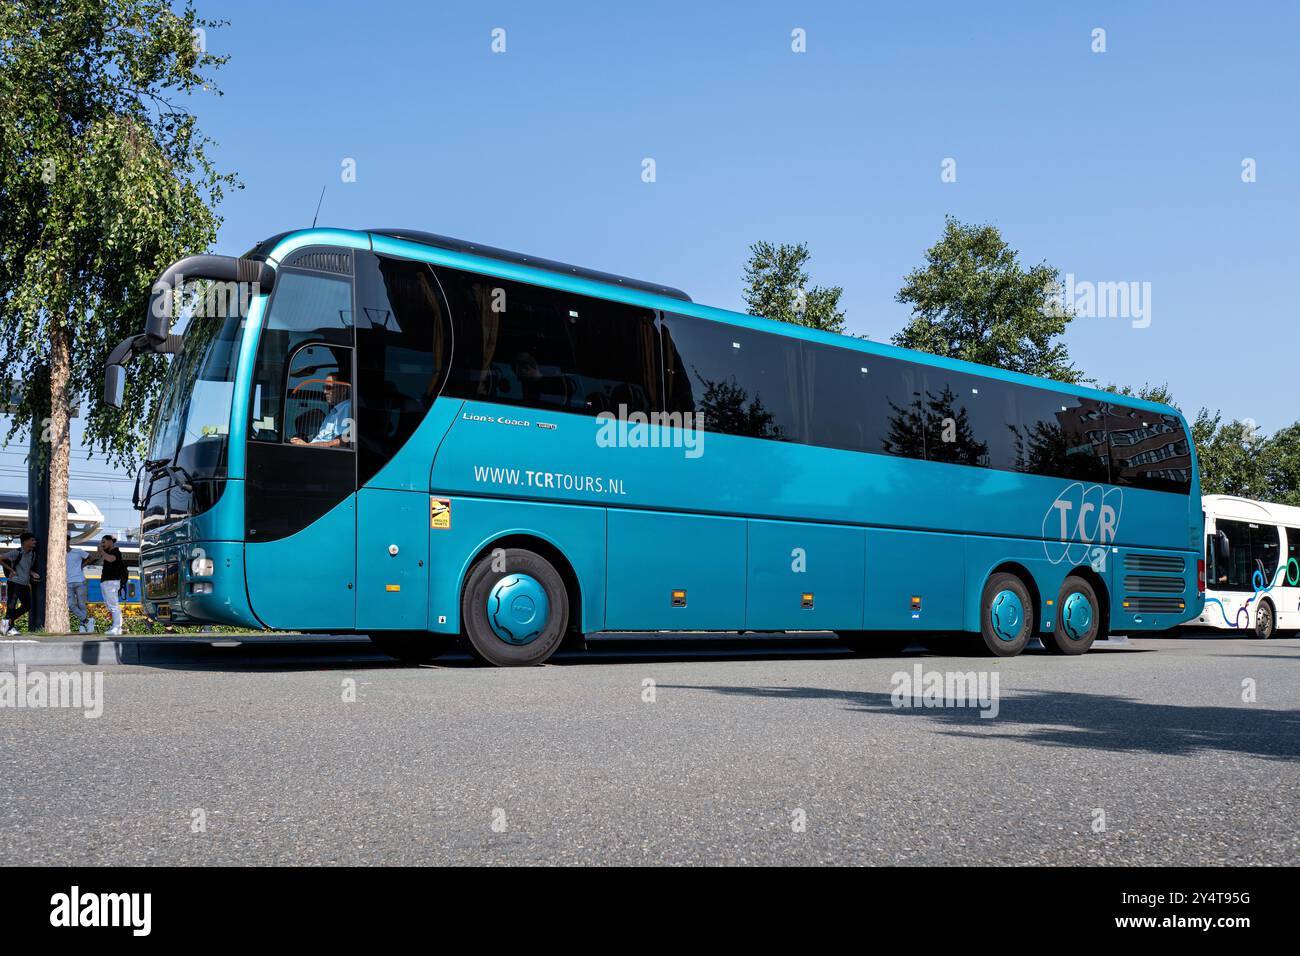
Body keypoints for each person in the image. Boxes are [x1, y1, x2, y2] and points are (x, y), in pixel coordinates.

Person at [290, 371, 351, 448]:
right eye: (324, 388)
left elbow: (344, 440)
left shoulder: (347, 407)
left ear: (343, 390)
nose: (325, 392)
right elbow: (322, 439)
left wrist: (306, 445)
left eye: (329, 388)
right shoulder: (332, 413)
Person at [1, 532, 41, 636]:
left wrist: (32, 573)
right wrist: (11, 570)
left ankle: (6, 620)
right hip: (14, 582)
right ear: (25, 541)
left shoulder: (33, 554)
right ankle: (10, 628)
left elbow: (28, 568)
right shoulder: (16, 552)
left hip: (25, 583)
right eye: (32, 540)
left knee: (27, 606)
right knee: (11, 605)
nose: (35, 542)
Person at [96, 534, 127, 636]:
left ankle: (116, 627)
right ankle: (117, 627)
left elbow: (111, 559)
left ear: (110, 541)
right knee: (110, 606)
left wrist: (101, 551)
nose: (102, 544)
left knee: (114, 606)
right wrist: (102, 551)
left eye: (104, 542)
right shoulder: (107, 552)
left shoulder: (116, 552)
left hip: (112, 581)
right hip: (106, 581)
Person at [66, 540, 93, 634]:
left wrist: (82, 565)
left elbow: (90, 557)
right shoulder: (59, 554)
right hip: (67, 583)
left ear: (68, 541)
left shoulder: (78, 551)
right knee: (70, 604)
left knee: (81, 604)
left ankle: (82, 626)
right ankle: (87, 621)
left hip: (80, 581)